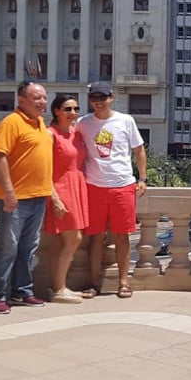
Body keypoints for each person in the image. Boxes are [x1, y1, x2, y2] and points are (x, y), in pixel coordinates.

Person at [75, 81, 147, 299]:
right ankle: (94, 284)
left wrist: (143, 178)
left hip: (122, 185)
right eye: (94, 98)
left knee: (122, 237)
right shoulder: (82, 123)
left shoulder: (125, 120)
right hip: (94, 187)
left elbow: (139, 149)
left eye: (102, 97)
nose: (99, 102)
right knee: (95, 238)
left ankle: (124, 282)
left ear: (111, 97)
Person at [0, 81, 54, 314]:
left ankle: (22, 291)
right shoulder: (11, 123)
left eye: (44, 98)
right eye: (36, 98)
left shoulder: (41, 123)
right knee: (7, 248)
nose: (42, 102)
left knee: (28, 248)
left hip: (38, 196)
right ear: (21, 100)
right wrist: (8, 192)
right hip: (14, 199)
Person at [44, 94, 88, 304]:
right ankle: (59, 289)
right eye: (68, 109)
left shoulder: (76, 134)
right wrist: (55, 198)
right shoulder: (50, 134)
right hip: (61, 189)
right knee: (74, 239)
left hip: (76, 187)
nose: (73, 113)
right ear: (56, 111)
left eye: (76, 109)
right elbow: (44, 169)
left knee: (62, 242)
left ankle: (58, 286)